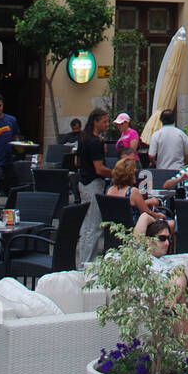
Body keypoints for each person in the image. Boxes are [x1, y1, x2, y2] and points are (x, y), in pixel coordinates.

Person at [77, 108, 111, 266]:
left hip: (83, 182)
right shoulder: (95, 142)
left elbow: (76, 162)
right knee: (94, 225)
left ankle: (83, 260)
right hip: (93, 183)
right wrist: (116, 173)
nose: (107, 124)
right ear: (95, 122)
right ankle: (87, 264)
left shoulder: (83, 138)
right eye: (104, 121)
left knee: (86, 225)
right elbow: (99, 169)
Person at [106, 157, 167, 238]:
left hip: (114, 230)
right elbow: (146, 211)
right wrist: (158, 215)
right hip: (134, 229)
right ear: (130, 175)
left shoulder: (109, 190)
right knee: (169, 224)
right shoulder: (132, 191)